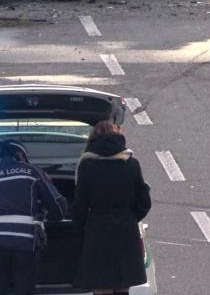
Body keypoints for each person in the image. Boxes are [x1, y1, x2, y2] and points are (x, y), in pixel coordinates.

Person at [0, 139, 68, 295]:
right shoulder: (32, 172)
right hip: (25, 244)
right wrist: (53, 218)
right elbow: (57, 205)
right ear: (19, 154)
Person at [72, 121, 152, 294]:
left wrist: (81, 225)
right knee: (123, 283)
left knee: (101, 283)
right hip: (126, 230)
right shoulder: (131, 163)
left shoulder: (86, 165)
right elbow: (144, 200)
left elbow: (80, 204)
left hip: (98, 230)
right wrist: (130, 217)